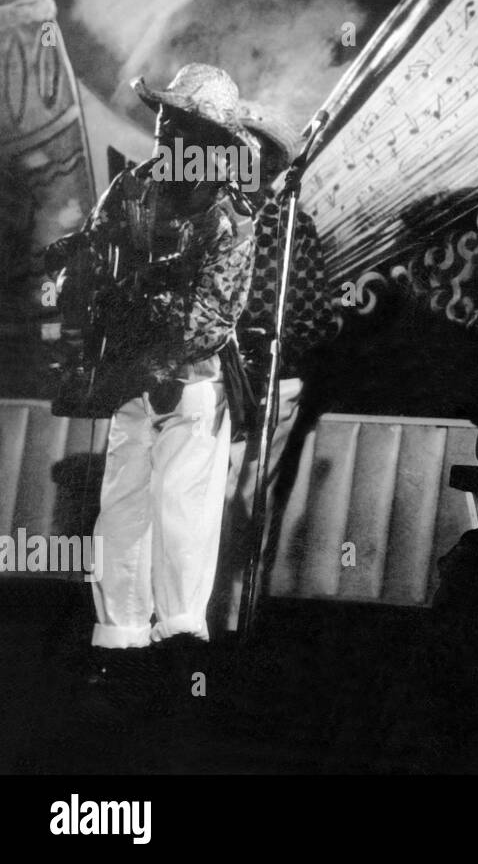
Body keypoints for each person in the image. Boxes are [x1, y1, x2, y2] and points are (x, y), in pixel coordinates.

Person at [78, 64, 258, 703]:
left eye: (176, 122)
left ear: (206, 137)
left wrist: (140, 318)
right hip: (135, 377)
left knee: (181, 513)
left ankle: (182, 647)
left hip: (189, 382)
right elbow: (95, 259)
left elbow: (213, 316)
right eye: (162, 117)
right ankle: (120, 641)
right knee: (123, 508)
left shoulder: (227, 213)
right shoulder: (133, 187)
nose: (161, 129)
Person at [209, 102, 336, 636]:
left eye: (256, 152)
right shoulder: (205, 214)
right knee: (201, 496)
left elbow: (315, 316)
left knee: (246, 503)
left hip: (271, 380)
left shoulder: (289, 223)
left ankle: (233, 627)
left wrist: (263, 342)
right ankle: (183, 623)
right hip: (209, 375)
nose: (245, 160)